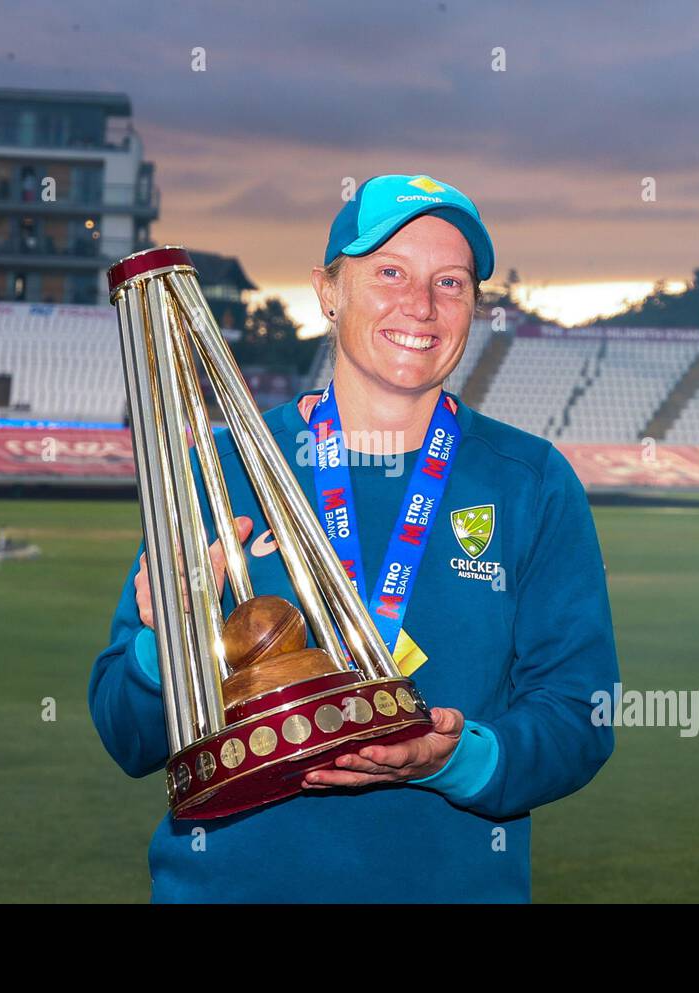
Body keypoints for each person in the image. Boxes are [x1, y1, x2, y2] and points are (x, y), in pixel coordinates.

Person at [88, 174, 620, 903]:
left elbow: (579, 716)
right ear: (328, 290)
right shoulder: (218, 470)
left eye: (452, 282)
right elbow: (127, 734)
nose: (422, 305)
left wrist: (450, 759)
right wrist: (163, 643)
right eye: (390, 272)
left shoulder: (531, 482)